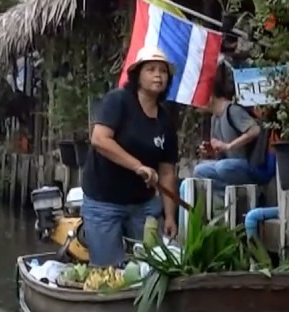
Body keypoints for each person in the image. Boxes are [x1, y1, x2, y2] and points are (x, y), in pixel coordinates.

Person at [81, 46, 180, 268]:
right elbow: (100, 139)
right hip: (103, 200)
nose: (157, 75)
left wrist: (170, 216)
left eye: (163, 71)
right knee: (109, 270)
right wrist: (137, 166)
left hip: (142, 203)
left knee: (152, 266)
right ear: (137, 75)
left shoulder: (166, 120)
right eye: (151, 69)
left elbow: (167, 172)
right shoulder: (118, 101)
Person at [193, 62, 265, 195]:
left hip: (248, 164)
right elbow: (221, 154)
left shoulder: (232, 110)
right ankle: (231, 194)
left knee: (223, 167)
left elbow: (255, 130)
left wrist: (229, 146)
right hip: (229, 166)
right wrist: (211, 151)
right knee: (200, 170)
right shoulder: (215, 118)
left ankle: (251, 192)